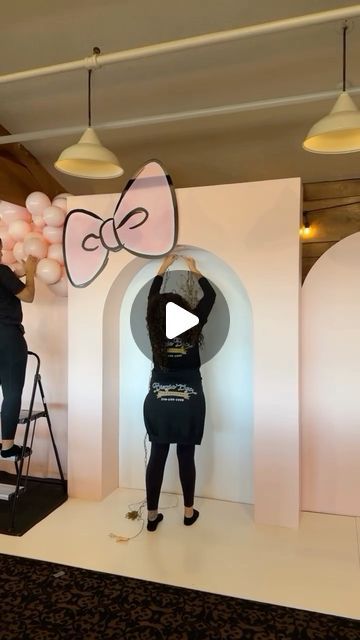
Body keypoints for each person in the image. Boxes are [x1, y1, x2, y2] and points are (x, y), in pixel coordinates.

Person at [144, 253, 216, 531]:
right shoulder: (194, 323)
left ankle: (151, 518)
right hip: (190, 401)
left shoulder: (154, 330)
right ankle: (188, 513)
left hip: (158, 400)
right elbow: (209, 296)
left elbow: (152, 297)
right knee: (186, 455)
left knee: (157, 454)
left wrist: (162, 269)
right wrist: (194, 270)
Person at [0, 238, 38, 459]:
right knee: (12, 392)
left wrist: (18, 273)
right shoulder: (2, 271)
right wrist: (31, 273)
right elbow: (28, 296)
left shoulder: (5, 274)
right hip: (7, 337)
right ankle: (7, 448)